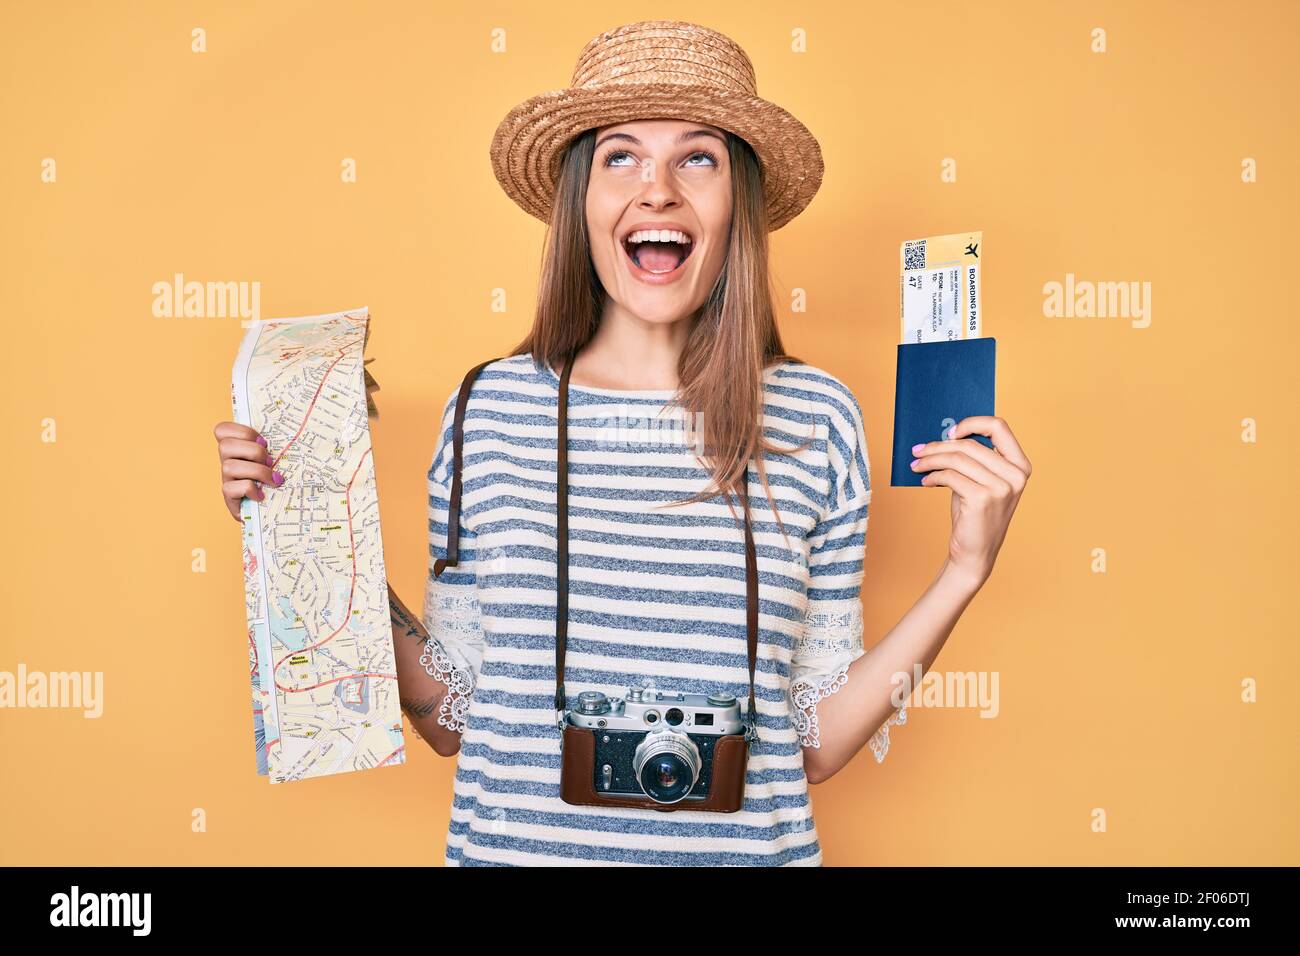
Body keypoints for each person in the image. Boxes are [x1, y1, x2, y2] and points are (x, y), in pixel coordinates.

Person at [212, 20, 1031, 866]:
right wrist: (315, 534)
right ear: (581, 200)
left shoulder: (818, 419)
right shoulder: (487, 407)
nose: (659, 191)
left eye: (699, 158)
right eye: (621, 156)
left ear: (737, 203)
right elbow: (456, 716)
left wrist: (964, 571)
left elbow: (815, 743)